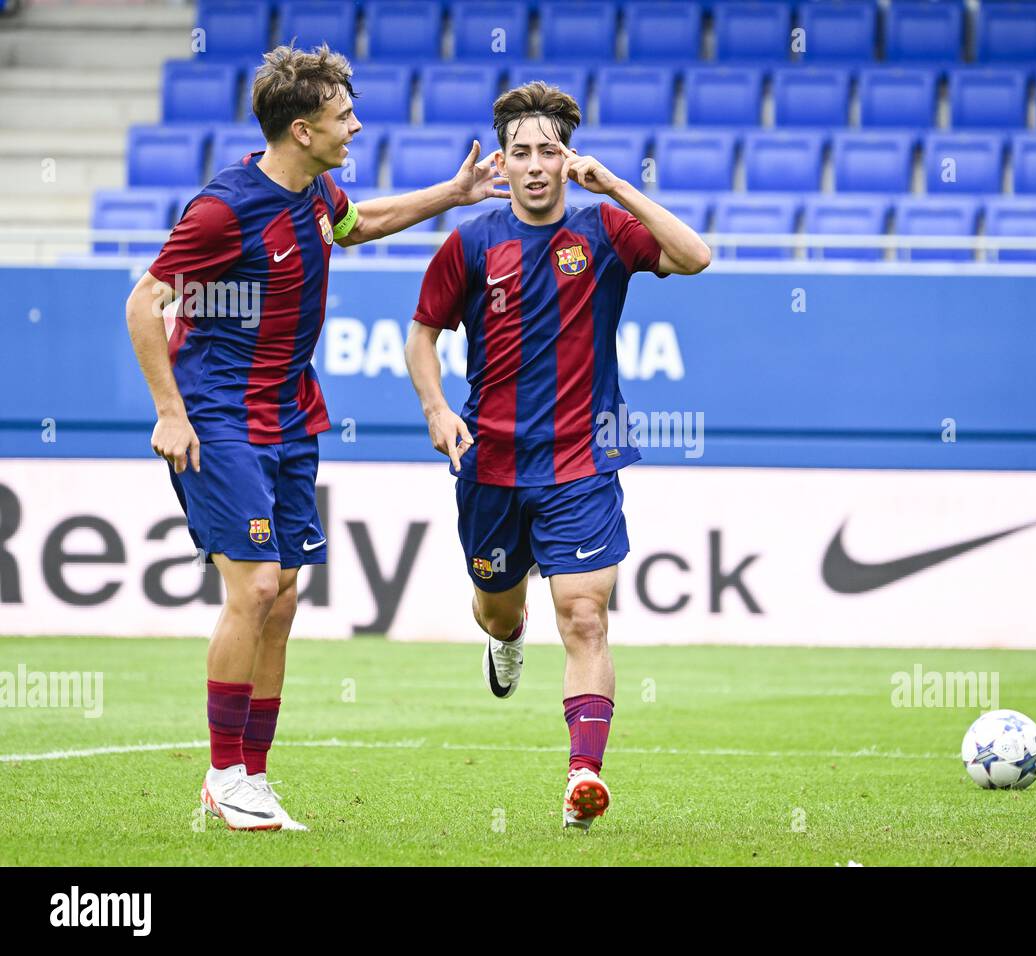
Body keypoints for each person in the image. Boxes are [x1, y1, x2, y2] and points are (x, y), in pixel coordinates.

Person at [124, 44, 508, 831]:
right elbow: (143, 302)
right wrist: (170, 410)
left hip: (293, 416)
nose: (355, 126)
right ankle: (222, 773)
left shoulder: (317, 192)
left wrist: (457, 193)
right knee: (257, 586)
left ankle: (252, 779)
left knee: (288, 594)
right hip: (219, 416)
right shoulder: (222, 209)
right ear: (301, 129)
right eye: (342, 117)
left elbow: (361, 224)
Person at [404, 81, 711, 830]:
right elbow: (422, 335)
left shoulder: (604, 230)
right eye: (521, 153)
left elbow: (695, 256)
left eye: (549, 151)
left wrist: (615, 184)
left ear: (567, 157)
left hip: (583, 460)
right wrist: (438, 409)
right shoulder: (472, 243)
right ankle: (504, 642)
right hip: (491, 464)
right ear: (501, 164)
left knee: (583, 616)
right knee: (499, 609)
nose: (535, 165)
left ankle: (584, 775)